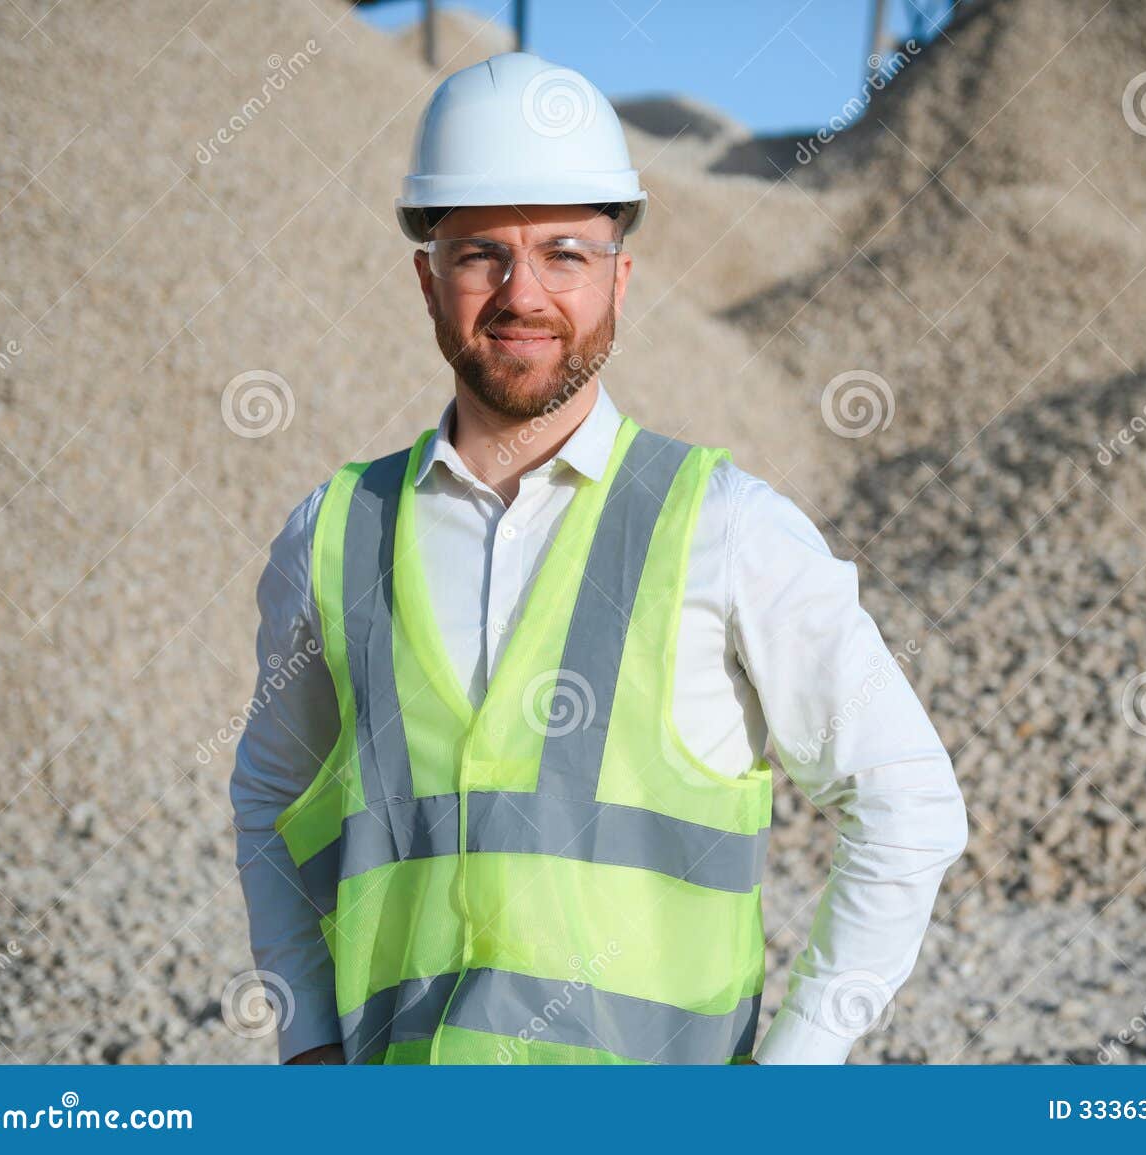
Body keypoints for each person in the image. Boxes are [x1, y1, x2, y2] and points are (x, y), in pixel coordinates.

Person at [229, 50, 968, 1065]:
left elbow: (906, 802)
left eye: (565, 254)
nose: (521, 292)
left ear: (620, 276)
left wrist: (795, 1079)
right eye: (481, 252)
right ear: (427, 277)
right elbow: (271, 799)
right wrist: (309, 1049)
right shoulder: (334, 535)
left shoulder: (726, 529)